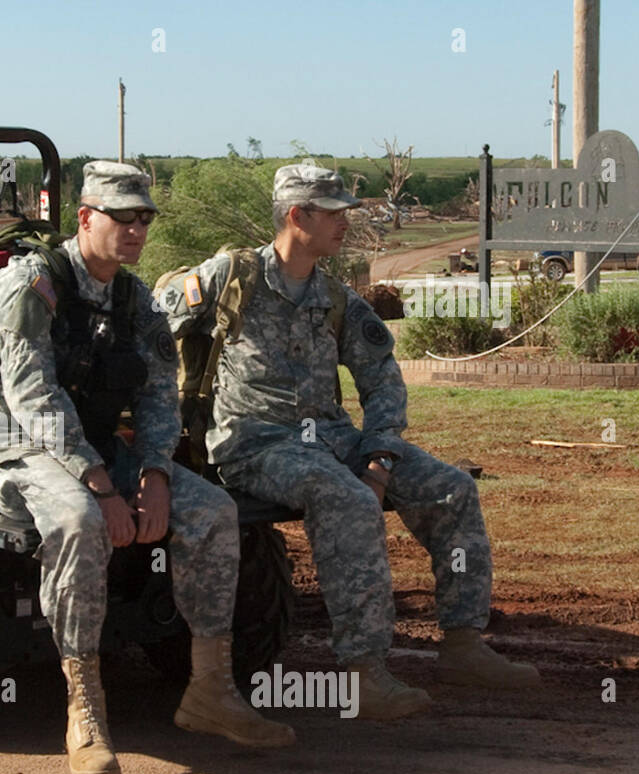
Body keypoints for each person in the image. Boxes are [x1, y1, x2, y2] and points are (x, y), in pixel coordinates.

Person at [162, 164, 539, 719]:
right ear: (297, 216)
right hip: (254, 442)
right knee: (346, 498)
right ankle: (363, 671)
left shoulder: (334, 298)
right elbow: (150, 328)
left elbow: (382, 376)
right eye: (334, 213)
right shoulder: (228, 278)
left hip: (333, 439)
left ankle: (462, 643)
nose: (345, 223)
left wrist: (381, 451)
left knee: (452, 489)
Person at [0, 161, 295, 774]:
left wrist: (153, 473)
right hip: (10, 441)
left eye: (144, 218)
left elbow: (154, 394)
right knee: (75, 518)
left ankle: (210, 690)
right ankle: (84, 709)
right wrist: (99, 484)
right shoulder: (29, 286)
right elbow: (33, 396)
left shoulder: (133, 296)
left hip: (89, 443)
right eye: (123, 218)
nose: (136, 230)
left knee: (213, 511)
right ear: (86, 218)